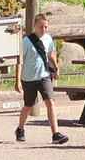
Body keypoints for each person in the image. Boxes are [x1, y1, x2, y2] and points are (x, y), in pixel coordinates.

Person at [15, 11, 70, 144]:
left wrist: (56, 68)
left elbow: (51, 54)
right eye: (41, 26)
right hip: (29, 78)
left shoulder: (48, 39)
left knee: (50, 102)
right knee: (28, 106)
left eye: (46, 27)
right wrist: (17, 81)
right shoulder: (26, 41)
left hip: (44, 76)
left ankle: (55, 134)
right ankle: (20, 129)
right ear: (35, 26)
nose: (44, 29)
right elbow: (20, 62)